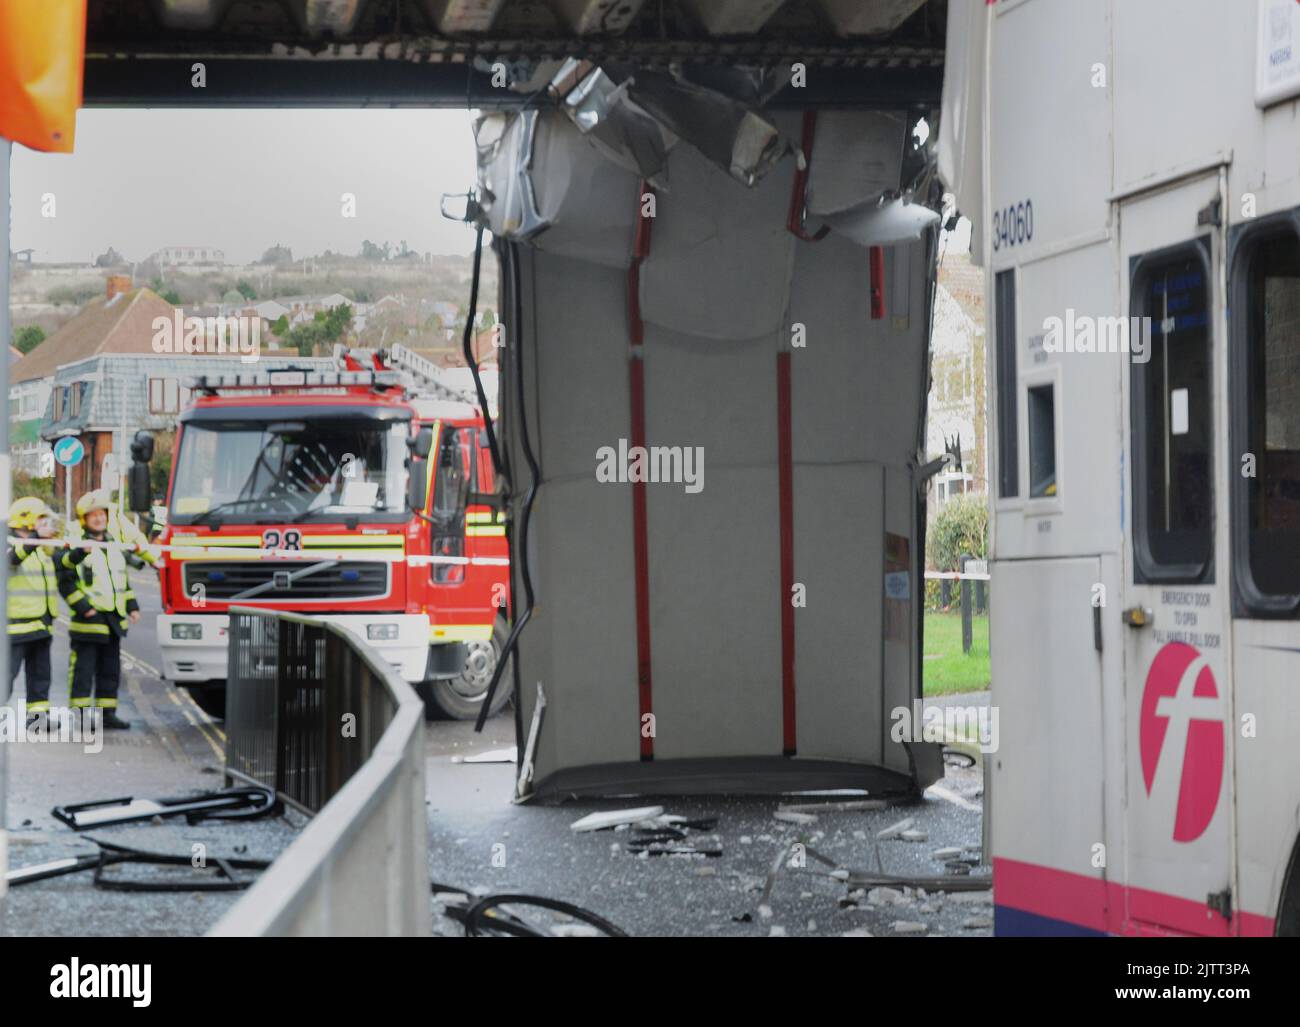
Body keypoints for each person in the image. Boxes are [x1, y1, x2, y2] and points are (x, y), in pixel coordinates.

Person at [57, 490, 139, 729]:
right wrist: (83, 608)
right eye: (92, 515)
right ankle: (80, 716)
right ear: (84, 519)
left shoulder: (114, 544)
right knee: (83, 670)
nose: (98, 519)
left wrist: (132, 606)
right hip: (88, 620)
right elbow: (65, 581)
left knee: (110, 670)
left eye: (101, 514)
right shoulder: (77, 545)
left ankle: (107, 714)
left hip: (113, 620)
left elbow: (121, 581)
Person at [7, 497, 60, 726]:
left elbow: (62, 563)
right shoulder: (7, 541)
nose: (44, 523)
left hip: (40, 624)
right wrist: (37, 538)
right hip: (15, 627)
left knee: (40, 677)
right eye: (40, 519)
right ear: (27, 519)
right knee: (5, 676)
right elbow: (13, 559)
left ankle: (38, 720)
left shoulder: (39, 548)